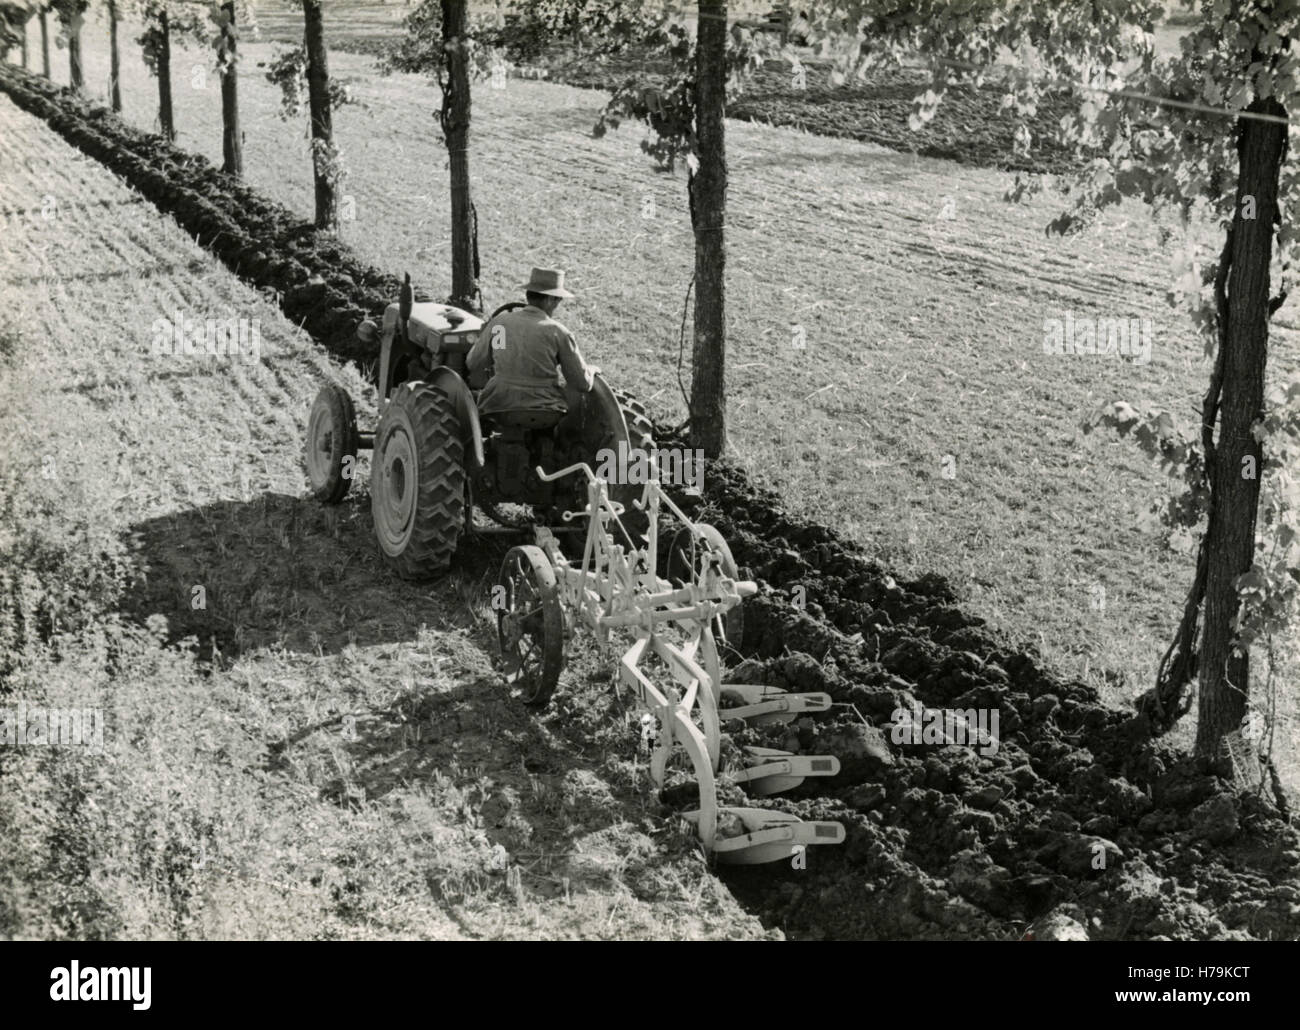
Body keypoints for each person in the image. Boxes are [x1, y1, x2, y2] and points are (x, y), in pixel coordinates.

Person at [466, 267, 598, 418]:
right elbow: (582, 384)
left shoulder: (501, 325)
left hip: (498, 405)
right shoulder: (558, 332)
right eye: (558, 299)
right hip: (546, 410)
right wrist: (591, 370)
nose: (558, 304)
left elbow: (473, 363)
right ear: (550, 299)